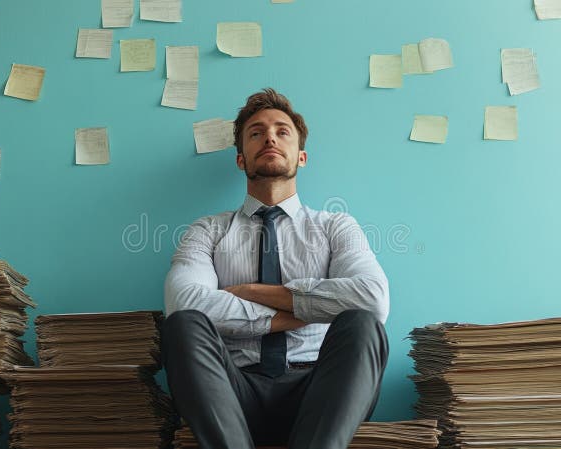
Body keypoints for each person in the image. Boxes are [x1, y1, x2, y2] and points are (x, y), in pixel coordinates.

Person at [162, 88, 390, 449]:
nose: (269, 136)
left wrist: (250, 292)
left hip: (319, 390)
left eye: (282, 131)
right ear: (241, 159)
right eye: (256, 133)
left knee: (361, 324)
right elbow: (185, 304)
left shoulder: (336, 226)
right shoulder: (207, 229)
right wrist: (304, 312)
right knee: (183, 325)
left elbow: (373, 299)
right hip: (233, 390)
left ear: (301, 156)